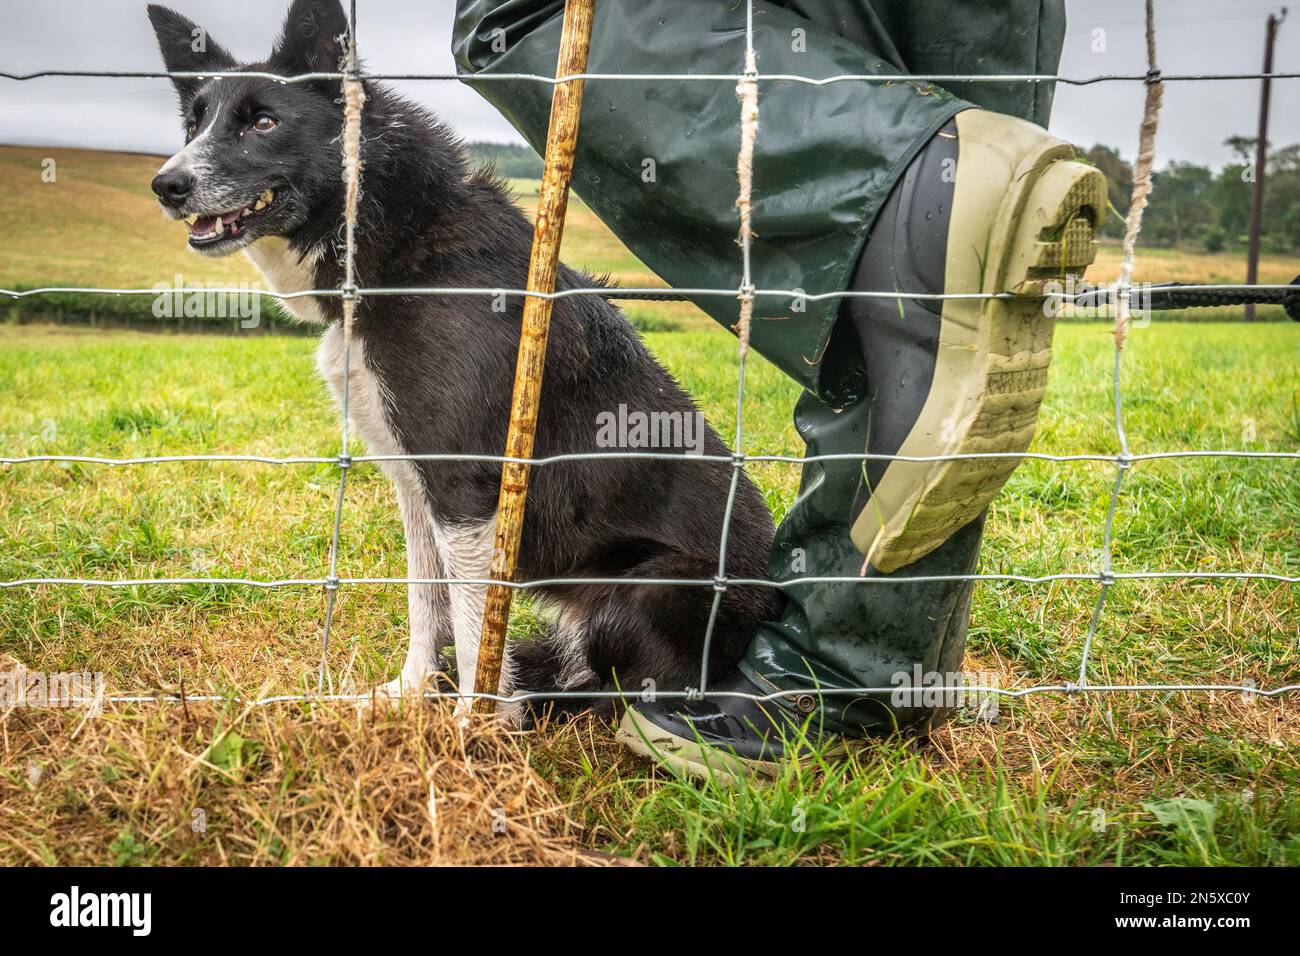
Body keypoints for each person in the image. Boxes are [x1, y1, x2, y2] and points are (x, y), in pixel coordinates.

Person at [452, 0, 1106, 779]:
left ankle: (924, 192)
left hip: (903, 165)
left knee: (515, 17)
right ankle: (866, 675)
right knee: (928, 50)